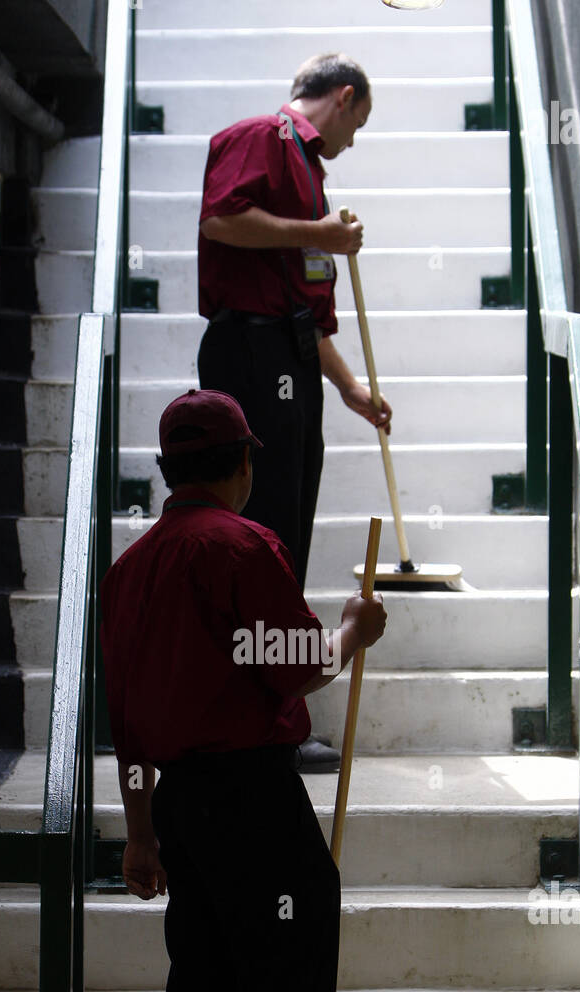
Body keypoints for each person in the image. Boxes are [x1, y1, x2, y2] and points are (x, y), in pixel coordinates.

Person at [98, 388, 386, 992]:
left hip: (179, 806)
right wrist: (349, 630)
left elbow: (129, 720)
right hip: (252, 801)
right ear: (242, 465)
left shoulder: (130, 569)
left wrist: (140, 833)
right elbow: (295, 670)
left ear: (168, 469)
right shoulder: (241, 546)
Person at [197, 52, 393, 768]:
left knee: (279, 537)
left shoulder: (309, 176)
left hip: (287, 354)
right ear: (343, 98)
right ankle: (255, 715)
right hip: (251, 353)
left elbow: (303, 313)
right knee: (258, 536)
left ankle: (271, 712)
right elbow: (221, 220)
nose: (351, 141)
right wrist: (319, 234)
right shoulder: (263, 137)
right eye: (358, 123)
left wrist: (345, 386)